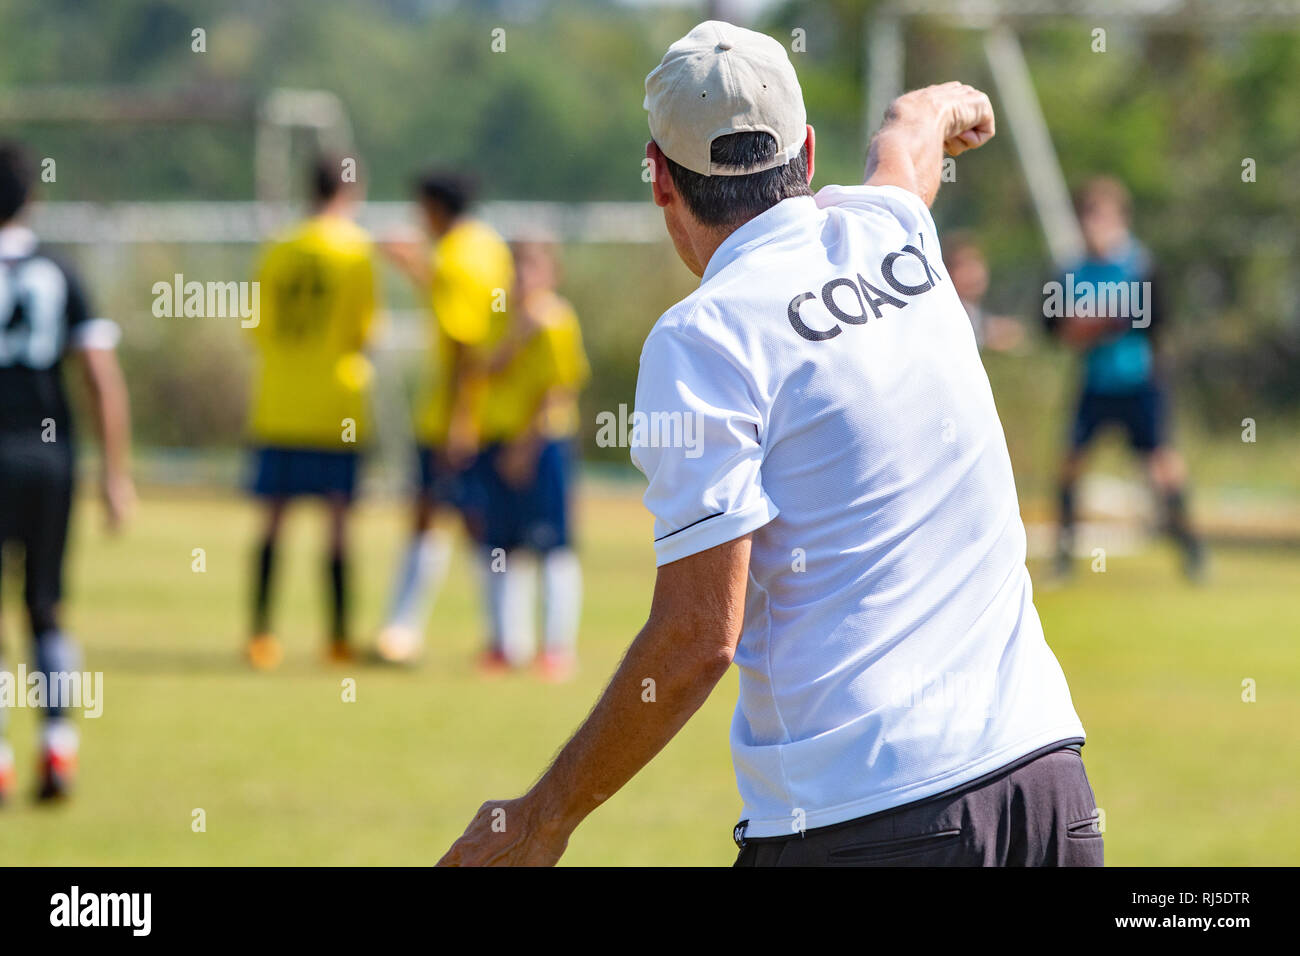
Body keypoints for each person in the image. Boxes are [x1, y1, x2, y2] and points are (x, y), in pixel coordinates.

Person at [440, 21, 1099, 867]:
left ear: (660, 181)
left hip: (865, 820)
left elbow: (696, 641)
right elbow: (907, 137)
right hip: (1046, 786)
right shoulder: (895, 232)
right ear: (809, 151)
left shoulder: (702, 340)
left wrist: (543, 819)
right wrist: (946, 104)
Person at [0, 140, 135, 802]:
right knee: (46, 607)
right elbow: (102, 379)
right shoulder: (60, 268)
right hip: (50, 461)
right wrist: (116, 474)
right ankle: (58, 747)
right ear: (34, 196)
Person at [245, 156, 380, 669]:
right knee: (339, 524)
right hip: (335, 406)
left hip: (279, 403)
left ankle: (260, 636)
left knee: (273, 522)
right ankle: (338, 639)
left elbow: (256, 328)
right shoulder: (357, 251)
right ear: (351, 190)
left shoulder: (278, 247)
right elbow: (365, 332)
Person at [375, 173, 514, 666]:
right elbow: (457, 300)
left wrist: (457, 422)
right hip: (495, 410)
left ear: (435, 208)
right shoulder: (486, 246)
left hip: (452, 416)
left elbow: (461, 343)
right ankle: (506, 638)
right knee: (483, 525)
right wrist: (412, 264)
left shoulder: (455, 256)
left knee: (430, 517)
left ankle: (401, 631)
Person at [1046, 176, 1204, 581]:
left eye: (1103, 215)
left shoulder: (1142, 266)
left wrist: (1100, 321)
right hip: (1096, 382)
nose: (1095, 224)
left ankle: (1192, 552)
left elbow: (1155, 320)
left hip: (1139, 381)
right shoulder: (1072, 271)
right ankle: (1064, 559)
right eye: (1088, 216)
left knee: (1162, 465)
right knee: (1070, 464)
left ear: (1121, 219)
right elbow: (1054, 328)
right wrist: (1085, 326)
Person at [472, 240, 589, 679]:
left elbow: (560, 388)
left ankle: (557, 648)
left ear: (550, 274)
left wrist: (526, 446)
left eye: (531, 269)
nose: (521, 278)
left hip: (543, 446)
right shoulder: (501, 317)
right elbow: (485, 370)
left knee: (552, 546)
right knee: (500, 546)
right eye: (515, 268)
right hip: (496, 442)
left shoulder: (557, 321)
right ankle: (506, 644)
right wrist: (518, 333)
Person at [942, 230, 1023, 352]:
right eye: (963, 265)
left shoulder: (977, 315)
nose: (973, 273)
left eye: (976, 262)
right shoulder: (943, 314)